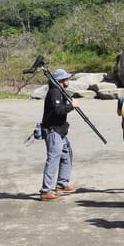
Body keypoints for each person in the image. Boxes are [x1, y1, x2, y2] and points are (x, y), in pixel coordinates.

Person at [39, 68, 80, 200]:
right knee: (53, 160)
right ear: (60, 80)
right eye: (66, 78)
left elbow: (59, 114)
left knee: (66, 156)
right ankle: (46, 191)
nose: (68, 80)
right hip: (53, 131)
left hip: (59, 130)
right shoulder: (55, 92)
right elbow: (58, 111)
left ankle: (62, 184)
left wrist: (65, 126)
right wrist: (71, 106)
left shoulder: (59, 91)